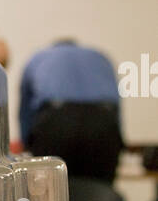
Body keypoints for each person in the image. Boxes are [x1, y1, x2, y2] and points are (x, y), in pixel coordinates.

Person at [19, 39, 124, 188]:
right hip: (103, 124)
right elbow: (116, 107)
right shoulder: (100, 57)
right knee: (101, 188)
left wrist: (27, 145)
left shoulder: (38, 57)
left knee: (51, 191)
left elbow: (25, 112)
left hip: (56, 122)